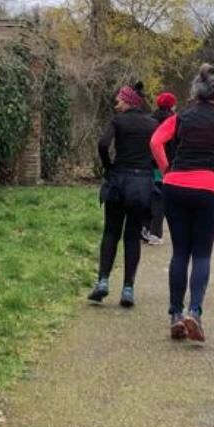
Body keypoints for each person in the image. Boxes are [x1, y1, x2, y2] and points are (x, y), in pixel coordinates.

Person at [150, 64, 214, 343]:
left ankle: (175, 314)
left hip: (175, 185)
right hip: (209, 187)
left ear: (195, 92)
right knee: (202, 254)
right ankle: (195, 312)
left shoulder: (180, 118)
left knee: (180, 253)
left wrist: (166, 168)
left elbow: (155, 142)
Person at [88, 82, 158, 308]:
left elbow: (103, 144)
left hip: (118, 180)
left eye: (119, 100)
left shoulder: (118, 121)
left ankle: (103, 281)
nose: (116, 104)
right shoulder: (152, 124)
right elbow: (160, 148)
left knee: (111, 231)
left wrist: (108, 166)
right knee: (132, 235)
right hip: (141, 183)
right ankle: (128, 288)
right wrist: (151, 165)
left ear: (128, 101)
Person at [143, 91, 177, 246]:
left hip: (148, 165)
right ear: (172, 105)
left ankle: (144, 228)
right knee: (160, 200)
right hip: (166, 165)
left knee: (148, 197)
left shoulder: (148, 120)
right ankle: (155, 233)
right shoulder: (175, 122)